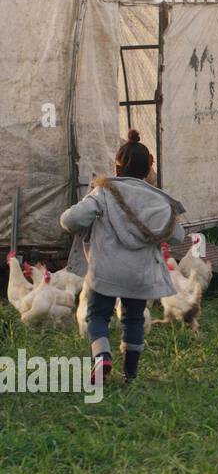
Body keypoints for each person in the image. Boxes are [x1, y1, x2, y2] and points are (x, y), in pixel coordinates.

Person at [59, 129, 188, 384]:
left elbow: (69, 220)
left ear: (116, 167)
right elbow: (178, 236)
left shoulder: (104, 192)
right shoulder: (158, 201)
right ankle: (129, 375)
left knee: (96, 315)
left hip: (106, 271)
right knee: (134, 318)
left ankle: (102, 356)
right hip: (139, 275)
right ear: (148, 168)